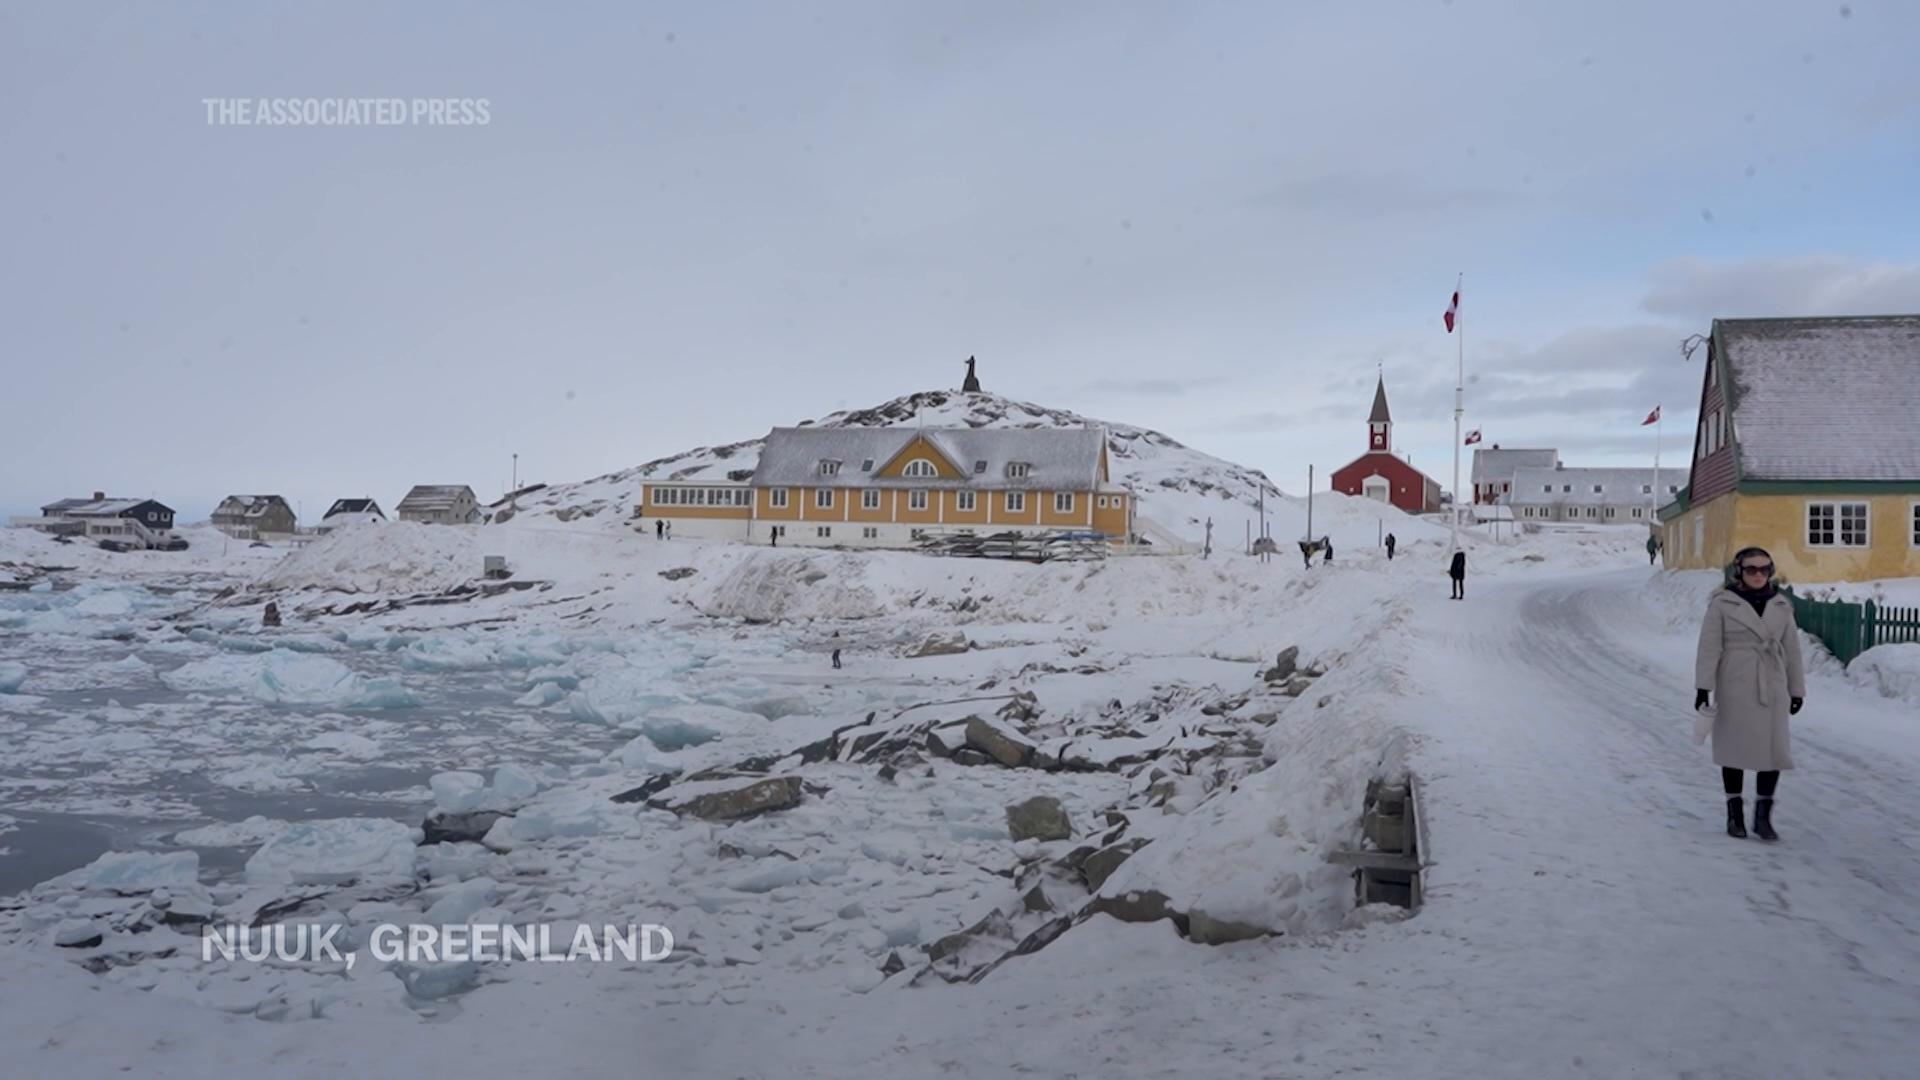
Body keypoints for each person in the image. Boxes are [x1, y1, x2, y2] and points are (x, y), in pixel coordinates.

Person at [1695, 546, 1804, 841]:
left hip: (1772, 682)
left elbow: (1792, 651)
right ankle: (1735, 813)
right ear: (1739, 571)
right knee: (1734, 747)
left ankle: (1763, 816)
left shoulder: (1781, 605)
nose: (1758, 575)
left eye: (1764, 569)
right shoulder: (1722, 604)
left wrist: (1796, 689)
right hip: (1736, 680)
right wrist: (1703, 687)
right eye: (1751, 569)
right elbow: (1709, 647)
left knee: (1774, 749)